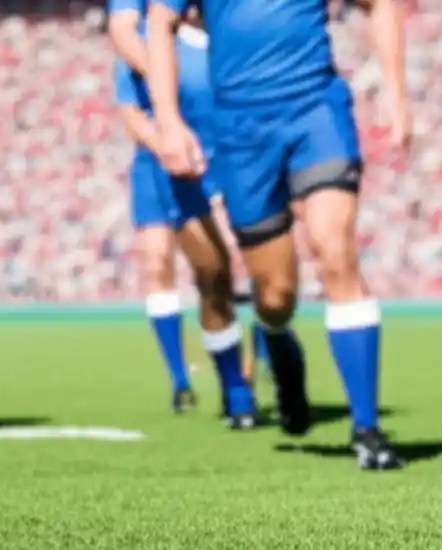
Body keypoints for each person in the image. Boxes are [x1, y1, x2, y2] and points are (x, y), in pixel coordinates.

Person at [146, 0, 410, 469]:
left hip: (316, 111)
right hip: (241, 135)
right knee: (275, 294)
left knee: (335, 250)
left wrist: (395, 91)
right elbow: (157, 22)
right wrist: (167, 119)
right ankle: (275, 335)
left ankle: (366, 428)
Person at [111, 4, 258, 426]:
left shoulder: (238, 31)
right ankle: (208, 381)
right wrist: (169, 147)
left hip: (241, 158)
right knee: (201, 269)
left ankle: (268, 352)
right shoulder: (151, 42)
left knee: (267, 269)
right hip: (176, 165)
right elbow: (132, 114)